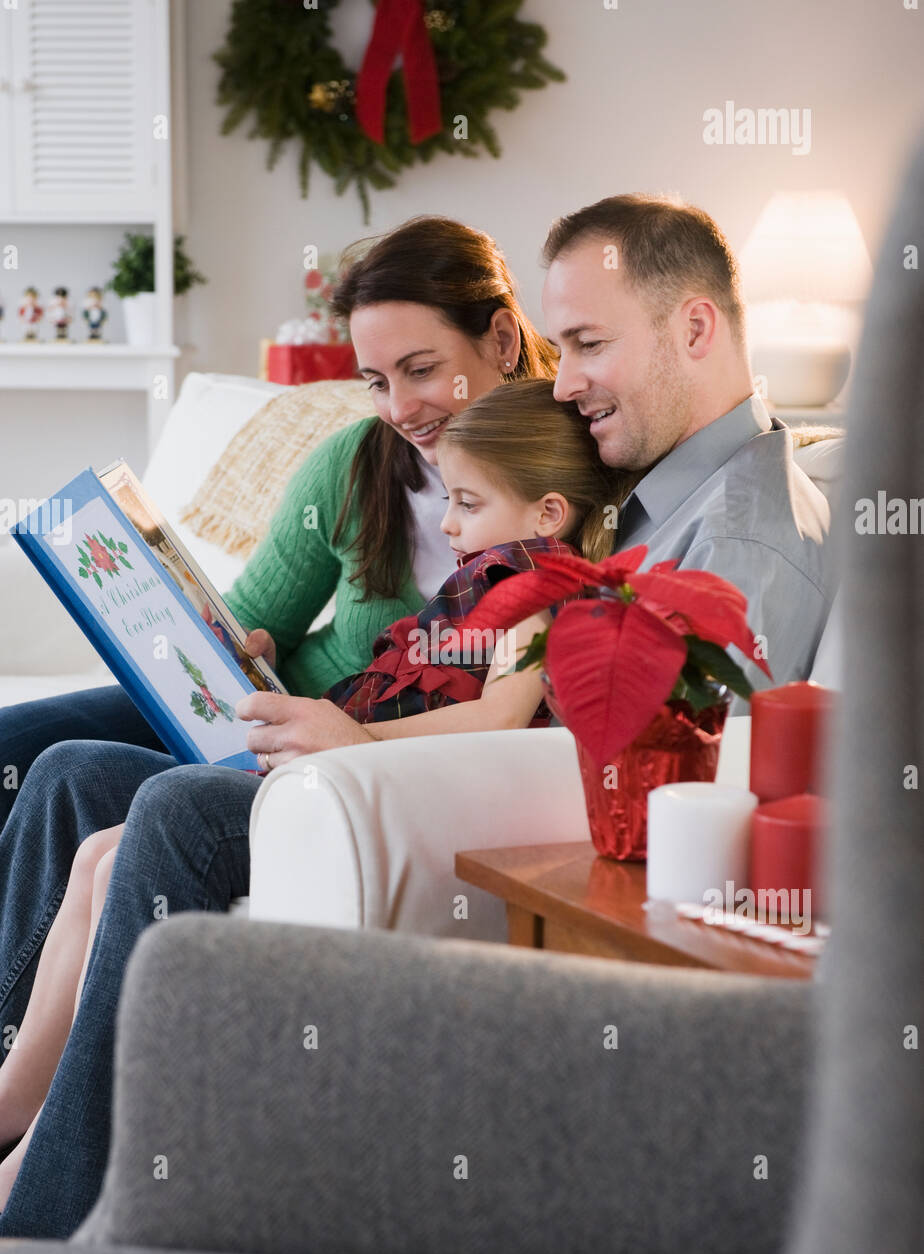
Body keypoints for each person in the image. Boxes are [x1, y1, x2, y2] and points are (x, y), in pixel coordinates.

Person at [0, 194, 834, 1239]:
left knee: (158, 811)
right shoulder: (634, 476)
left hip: (433, 778)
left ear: (696, 328)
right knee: (61, 762)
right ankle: (22, 1132)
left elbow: (631, 760)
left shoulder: (726, 530)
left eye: (584, 344)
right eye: (560, 344)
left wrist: (356, 748)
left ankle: (38, 1218)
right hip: (358, 738)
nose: (564, 380)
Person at [0, 379, 616, 1209]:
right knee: (95, 856)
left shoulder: (544, 589)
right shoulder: (491, 572)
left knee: (118, 858)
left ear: (547, 513)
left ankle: (24, 1164)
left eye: (468, 503)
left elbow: (502, 714)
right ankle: (16, 1113)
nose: (449, 523)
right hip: (318, 758)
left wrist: (351, 742)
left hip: (352, 780)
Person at [0, 215, 556, 833]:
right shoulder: (350, 464)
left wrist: (350, 738)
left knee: (72, 777)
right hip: (266, 716)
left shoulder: (566, 477)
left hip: (352, 760)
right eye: (376, 381)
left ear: (502, 339)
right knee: (15, 748)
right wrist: (243, 645)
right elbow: (260, 620)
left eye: (421, 369)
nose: (398, 410)